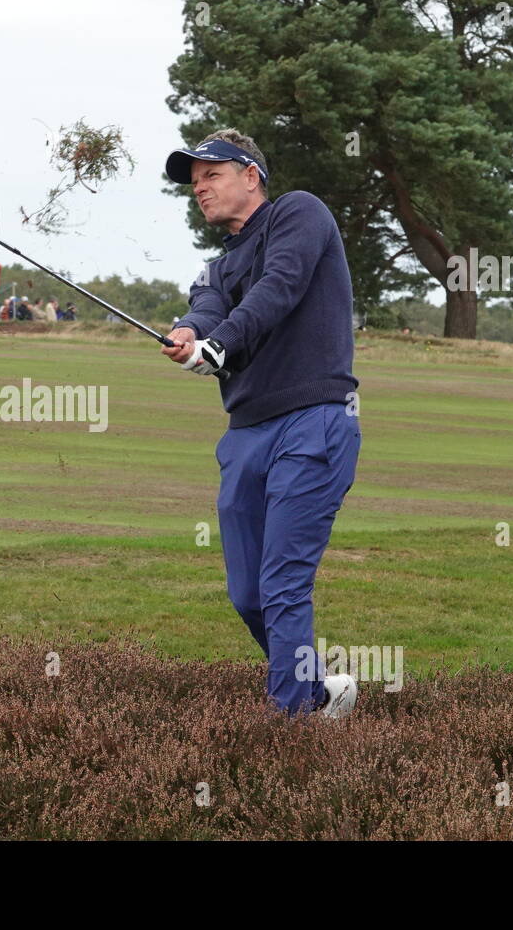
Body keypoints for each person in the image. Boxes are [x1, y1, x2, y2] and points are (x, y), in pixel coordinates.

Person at [161, 128, 362, 719]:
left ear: (251, 175)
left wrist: (220, 344)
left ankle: (294, 723)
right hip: (246, 433)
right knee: (248, 594)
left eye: (212, 175)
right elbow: (205, 307)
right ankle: (320, 691)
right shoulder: (219, 266)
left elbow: (280, 287)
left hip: (314, 420)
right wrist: (191, 335)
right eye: (195, 183)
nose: (200, 189)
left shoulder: (299, 214)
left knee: (282, 586)